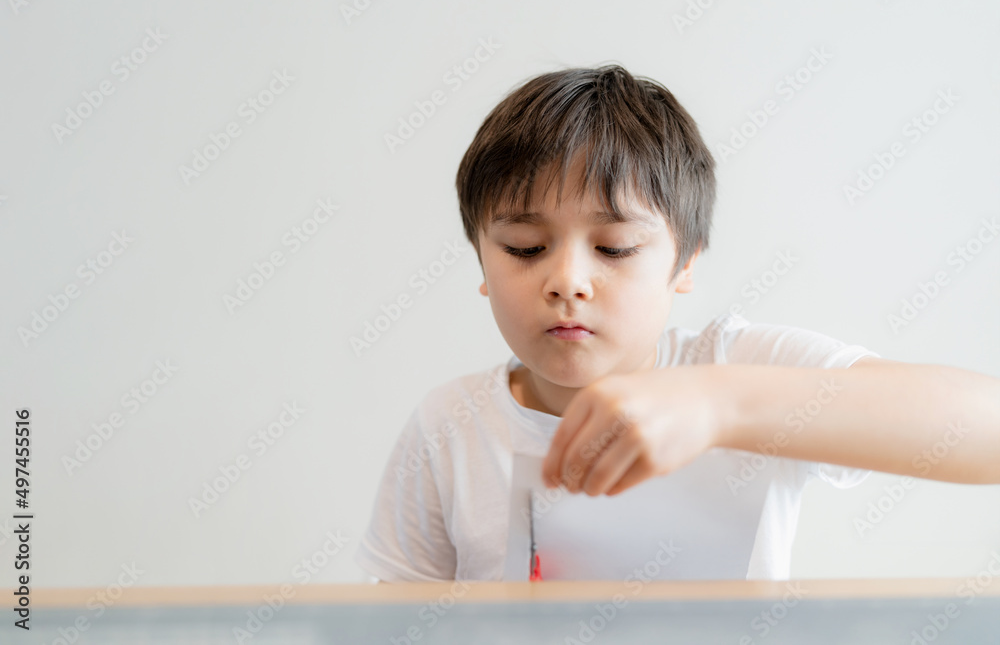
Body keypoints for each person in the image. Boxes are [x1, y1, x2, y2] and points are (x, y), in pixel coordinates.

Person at [354, 64, 1000, 583]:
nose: (567, 280)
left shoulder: (739, 362)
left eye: (614, 248)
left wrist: (719, 403)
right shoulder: (449, 425)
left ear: (684, 261)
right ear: (482, 262)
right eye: (525, 247)